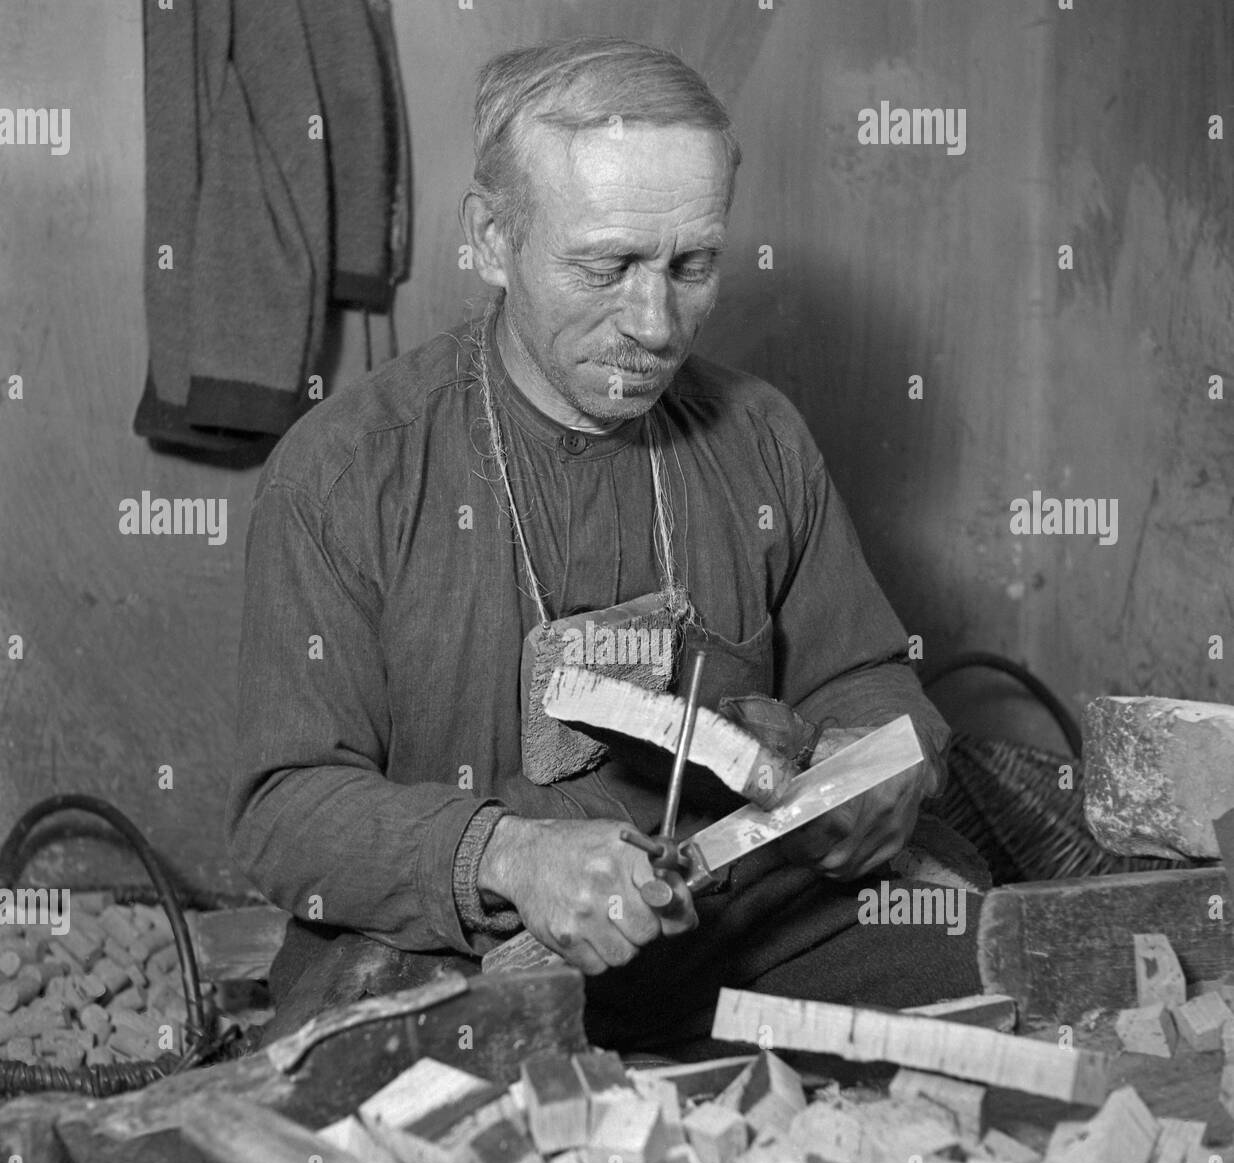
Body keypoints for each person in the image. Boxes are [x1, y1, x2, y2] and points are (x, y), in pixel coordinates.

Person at [226, 36, 982, 1052]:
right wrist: (509, 856)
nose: (654, 322)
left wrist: (877, 760)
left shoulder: (757, 437)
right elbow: (285, 810)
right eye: (606, 265)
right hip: (474, 956)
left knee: (977, 956)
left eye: (691, 265)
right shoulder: (347, 472)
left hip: (728, 924)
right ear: (493, 240)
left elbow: (869, 682)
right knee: (380, 1078)